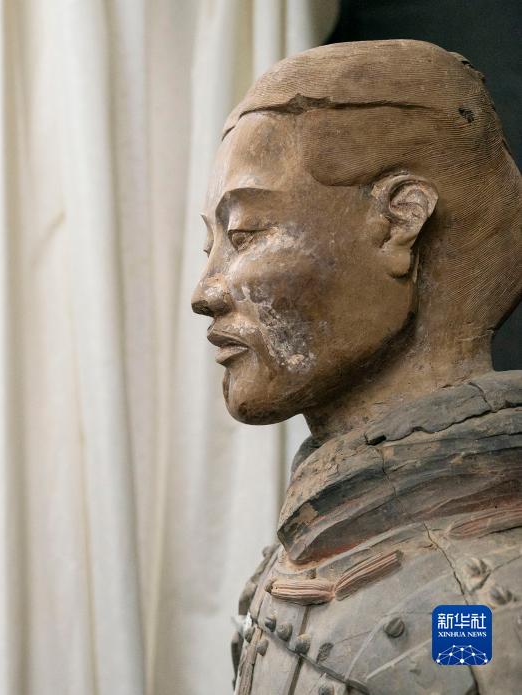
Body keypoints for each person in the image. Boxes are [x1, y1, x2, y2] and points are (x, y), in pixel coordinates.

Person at [191, 40, 522, 693]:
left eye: (245, 233)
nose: (205, 290)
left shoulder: (473, 610)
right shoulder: (319, 549)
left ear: (399, 222)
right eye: (212, 244)